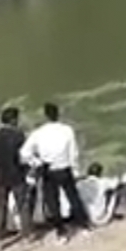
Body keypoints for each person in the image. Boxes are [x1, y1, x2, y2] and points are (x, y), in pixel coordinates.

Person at [20, 102, 89, 238]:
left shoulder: (38, 133)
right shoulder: (67, 130)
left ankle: (61, 232)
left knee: (52, 202)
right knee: (73, 198)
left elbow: (24, 153)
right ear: (58, 114)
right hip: (64, 167)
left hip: (48, 169)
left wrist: (36, 162)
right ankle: (83, 226)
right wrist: (75, 169)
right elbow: (73, 152)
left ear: (44, 116)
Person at [0, 107, 31, 240]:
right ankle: (26, 235)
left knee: (0, 206)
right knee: (22, 204)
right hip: (17, 173)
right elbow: (24, 155)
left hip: (1, 174)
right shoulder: (19, 135)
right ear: (13, 120)